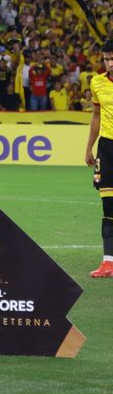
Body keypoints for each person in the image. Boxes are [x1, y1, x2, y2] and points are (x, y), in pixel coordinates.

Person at [84, 41, 113, 278]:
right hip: (106, 148)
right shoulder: (97, 82)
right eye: (106, 59)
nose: (110, 63)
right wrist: (88, 148)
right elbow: (95, 116)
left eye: (112, 58)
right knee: (108, 206)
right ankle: (108, 263)